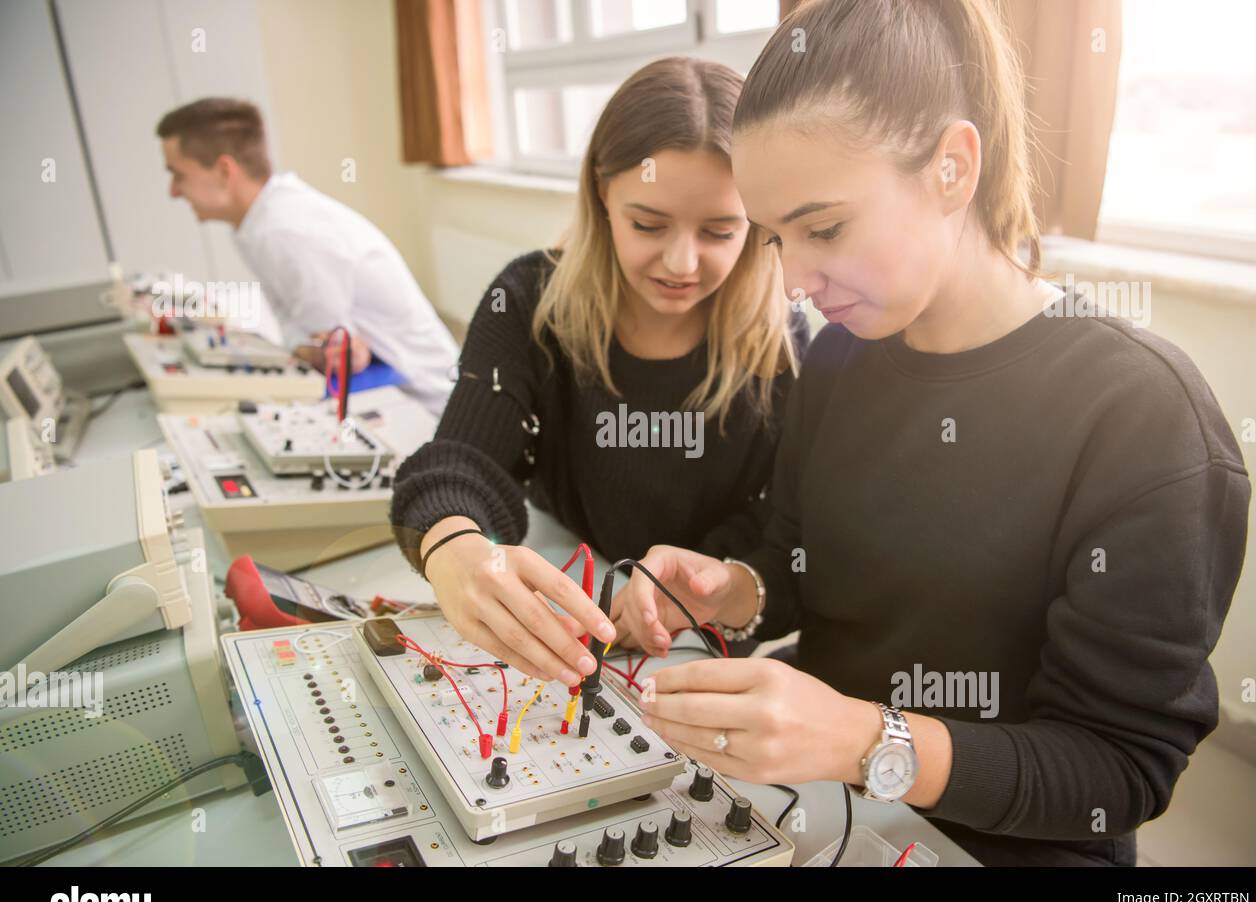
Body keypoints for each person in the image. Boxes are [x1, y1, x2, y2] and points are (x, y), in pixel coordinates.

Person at [615, 0, 1251, 866]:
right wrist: (735, 588)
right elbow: (798, 566)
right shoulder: (842, 357)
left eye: (824, 228)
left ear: (953, 167)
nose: (794, 280)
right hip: (822, 808)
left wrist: (866, 741)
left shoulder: (1141, 414)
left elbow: (1118, 769)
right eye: (773, 239)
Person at [389, 58, 808, 685]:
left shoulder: (782, 339)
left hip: (694, 634)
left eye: (721, 231)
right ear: (600, 195)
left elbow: (782, 531)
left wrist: (695, 589)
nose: (681, 262)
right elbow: (455, 464)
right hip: (568, 591)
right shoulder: (532, 300)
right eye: (648, 223)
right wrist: (452, 546)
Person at [156, 98, 458, 414]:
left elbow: (335, 358)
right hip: (390, 388)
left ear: (223, 170)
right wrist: (302, 347)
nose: (173, 191)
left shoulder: (286, 233)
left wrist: (306, 349)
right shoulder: (257, 223)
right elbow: (297, 331)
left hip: (427, 406)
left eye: (178, 175)